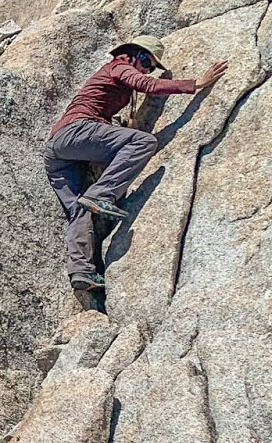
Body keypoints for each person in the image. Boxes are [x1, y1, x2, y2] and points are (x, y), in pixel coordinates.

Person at [43, 35, 227, 294]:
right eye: (144, 61)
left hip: (57, 151)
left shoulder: (116, 79)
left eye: (150, 67)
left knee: (79, 210)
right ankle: (101, 194)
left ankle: (80, 271)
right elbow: (145, 85)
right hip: (74, 133)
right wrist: (195, 84)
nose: (145, 69)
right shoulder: (118, 66)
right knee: (143, 142)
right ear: (129, 54)